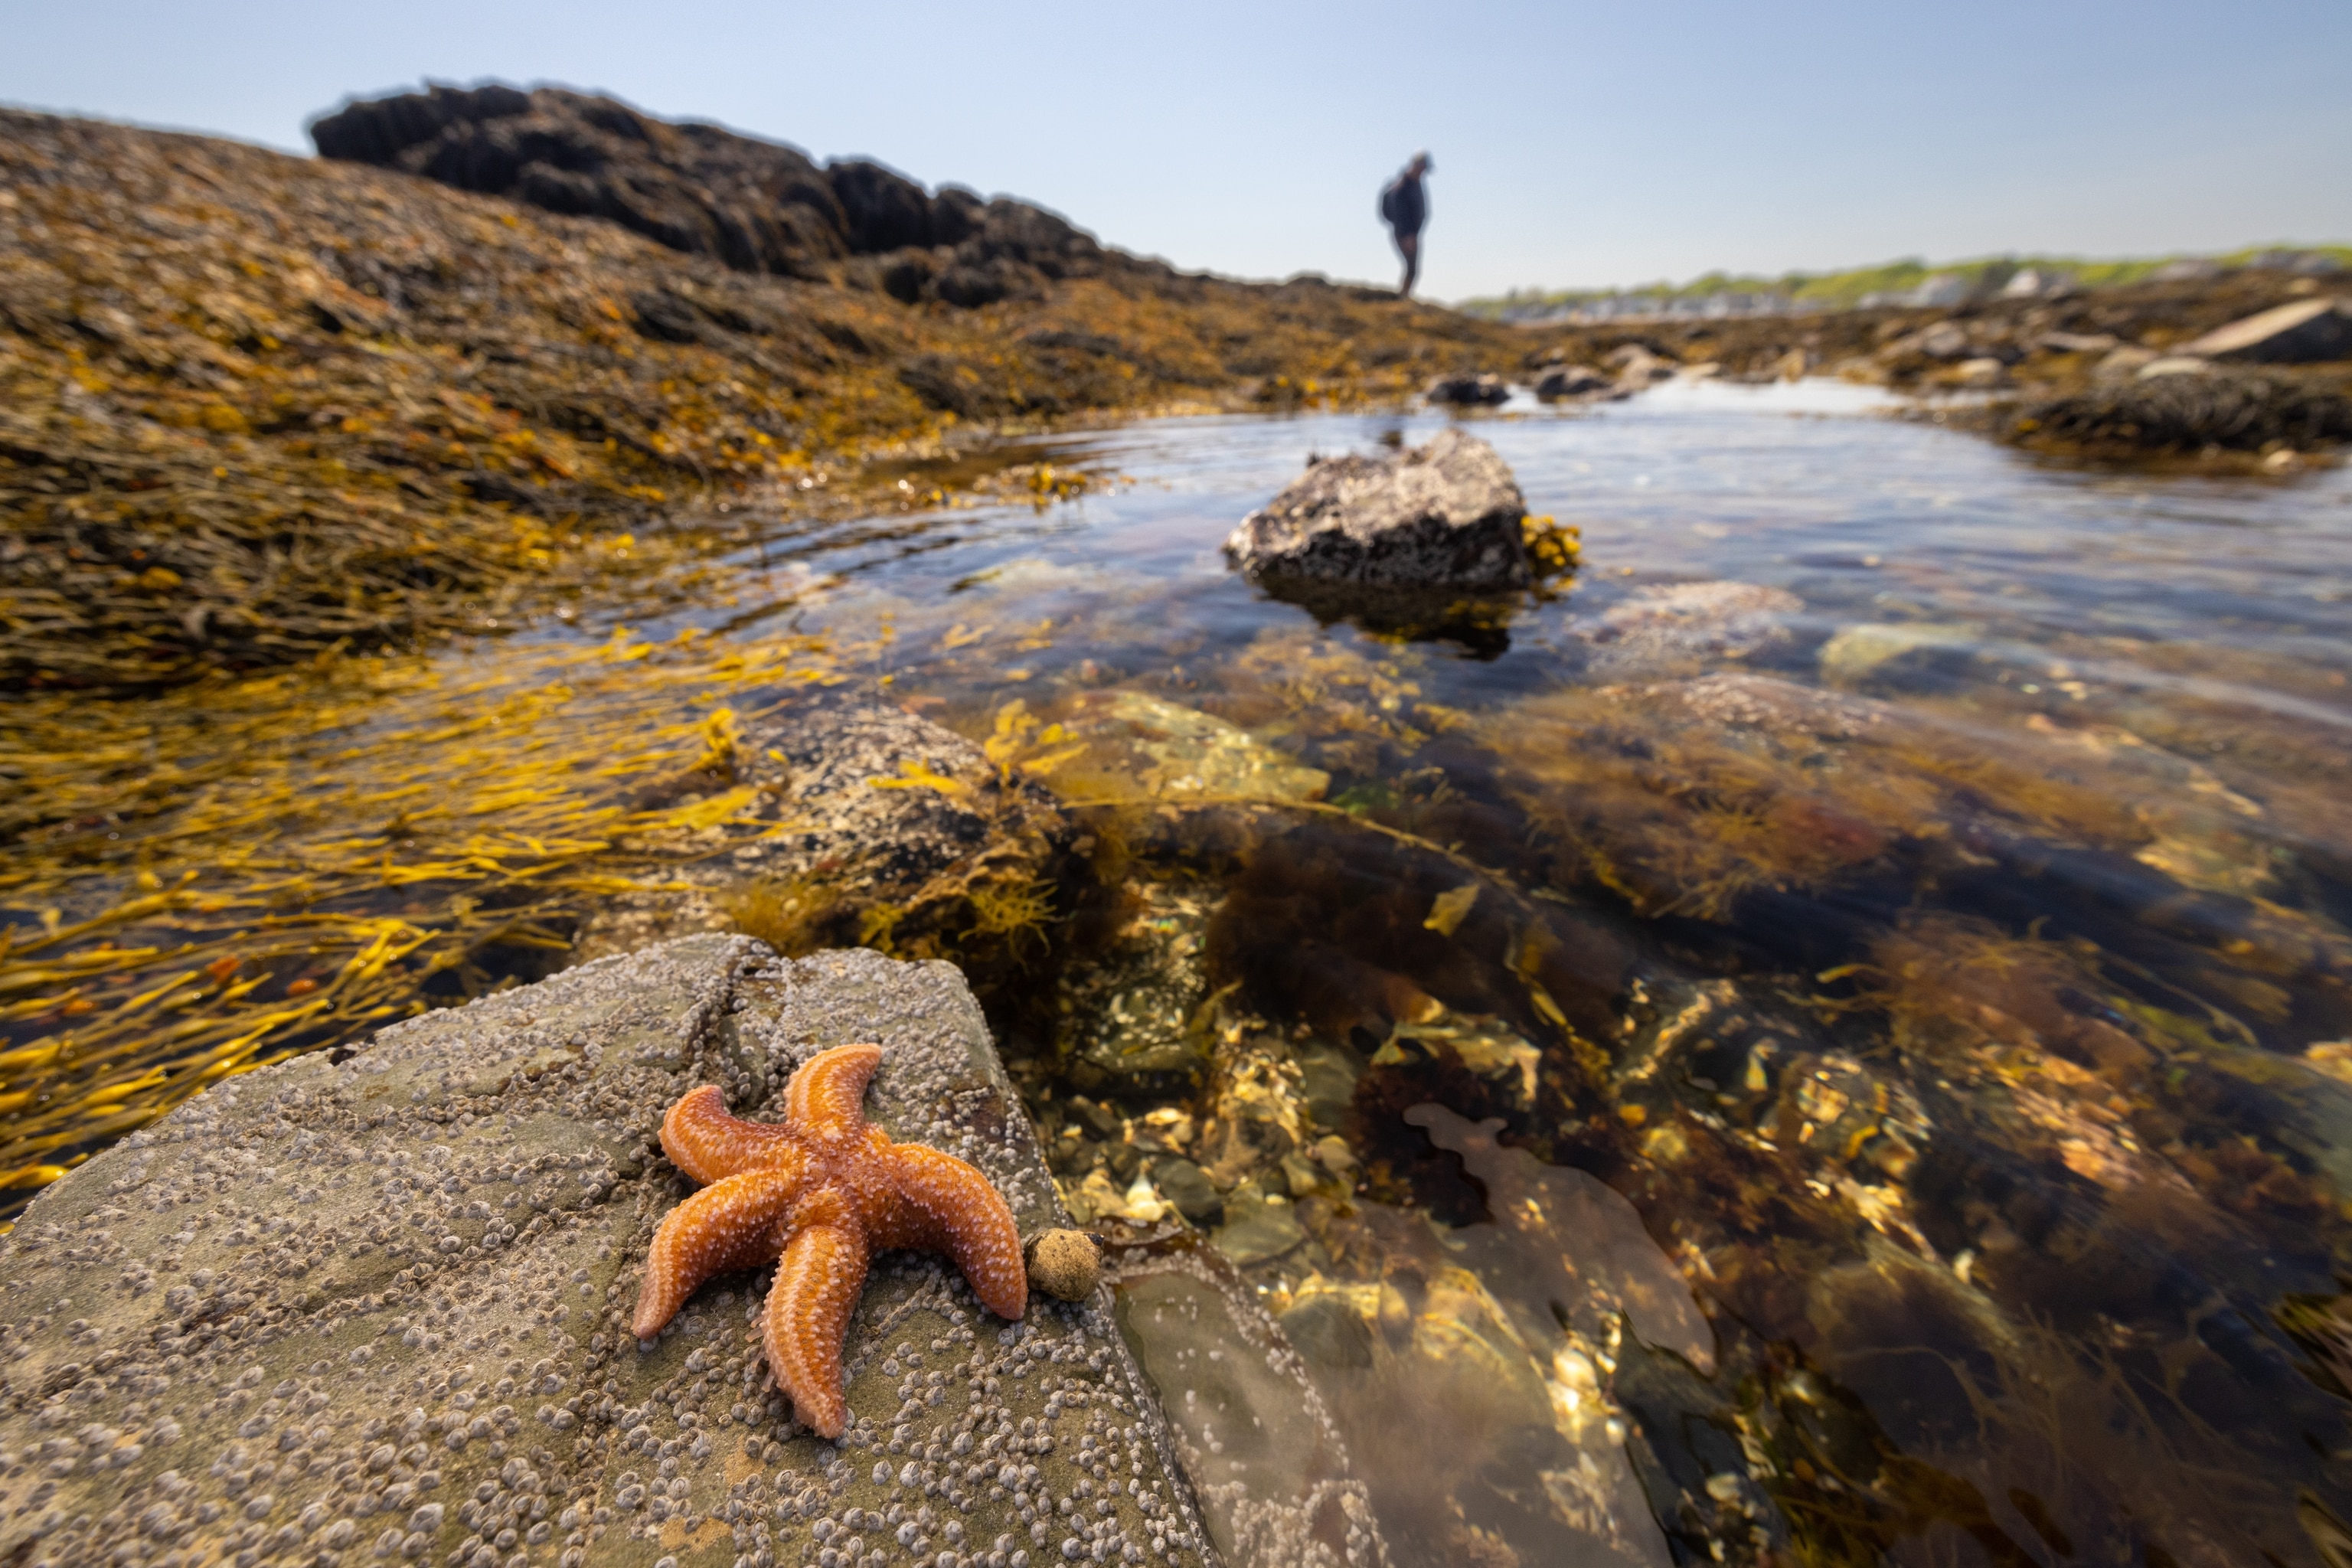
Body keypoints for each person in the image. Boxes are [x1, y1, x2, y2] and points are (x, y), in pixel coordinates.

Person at [1379, 152, 1432, 297]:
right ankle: (1402, 298)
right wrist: (1406, 234)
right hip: (1405, 234)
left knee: (1413, 269)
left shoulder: (1415, 184)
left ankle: (1404, 297)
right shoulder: (1401, 185)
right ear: (1416, 165)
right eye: (1423, 168)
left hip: (1412, 233)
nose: (1423, 172)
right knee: (1412, 268)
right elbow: (1398, 213)